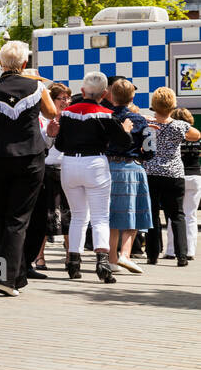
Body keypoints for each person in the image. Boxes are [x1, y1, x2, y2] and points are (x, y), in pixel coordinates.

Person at [0, 40, 59, 296]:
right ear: (25, 63)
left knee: (3, 217)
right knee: (18, 219)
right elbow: (50, 113)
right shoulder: (36, 86)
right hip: (29, 157)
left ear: (1, 63)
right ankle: (8, 278)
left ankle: (4, 271)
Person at [56, 72, 133, 283]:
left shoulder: (68, 113)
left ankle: (73, 261)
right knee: (100, 217)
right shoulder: (107, 115)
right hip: (95, 164)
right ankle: (102, 263)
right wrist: (125, 130)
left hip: (70, 164)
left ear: (82, 91)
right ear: (104, 93)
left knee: (78, 215)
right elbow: (125, 143)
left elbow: (60, 145)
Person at [143, 87, 200, 266]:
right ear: (172, 105)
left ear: (154, 105)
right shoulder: (179, 125)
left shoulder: (148, 124)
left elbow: (144, 147)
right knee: (177, 215)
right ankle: (182, 255)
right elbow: (196, 135)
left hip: (151, 173)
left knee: (152, 214)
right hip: (174, 174)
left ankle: (152, 254)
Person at [103, 78, 152, 274]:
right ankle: (125, 254)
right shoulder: (141, 120)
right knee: (134, 212)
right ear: (133, 96)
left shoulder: (105, 117)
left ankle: (112, 260)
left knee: (112, 215)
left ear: (111, 96)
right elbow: (151, 150)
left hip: (108, 168)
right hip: (133, 168)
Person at [29, 83, 72, 271]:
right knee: (45, 215)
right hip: (46, 169)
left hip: (67, 169)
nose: (66, 102)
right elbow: (39, 142)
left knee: (69, 215)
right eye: (61, 98)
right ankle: (39, 256)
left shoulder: (70, 118)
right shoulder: (41, 118)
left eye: (67, 98)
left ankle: (71, 256)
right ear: (51, 100)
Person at [166, 107, 200, 261]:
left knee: (174, 214)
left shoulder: (173, 134)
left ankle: (173, 250)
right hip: (195, 176)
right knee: (190, 215)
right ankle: (190, 251)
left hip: (177, 176)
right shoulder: (197, 136)